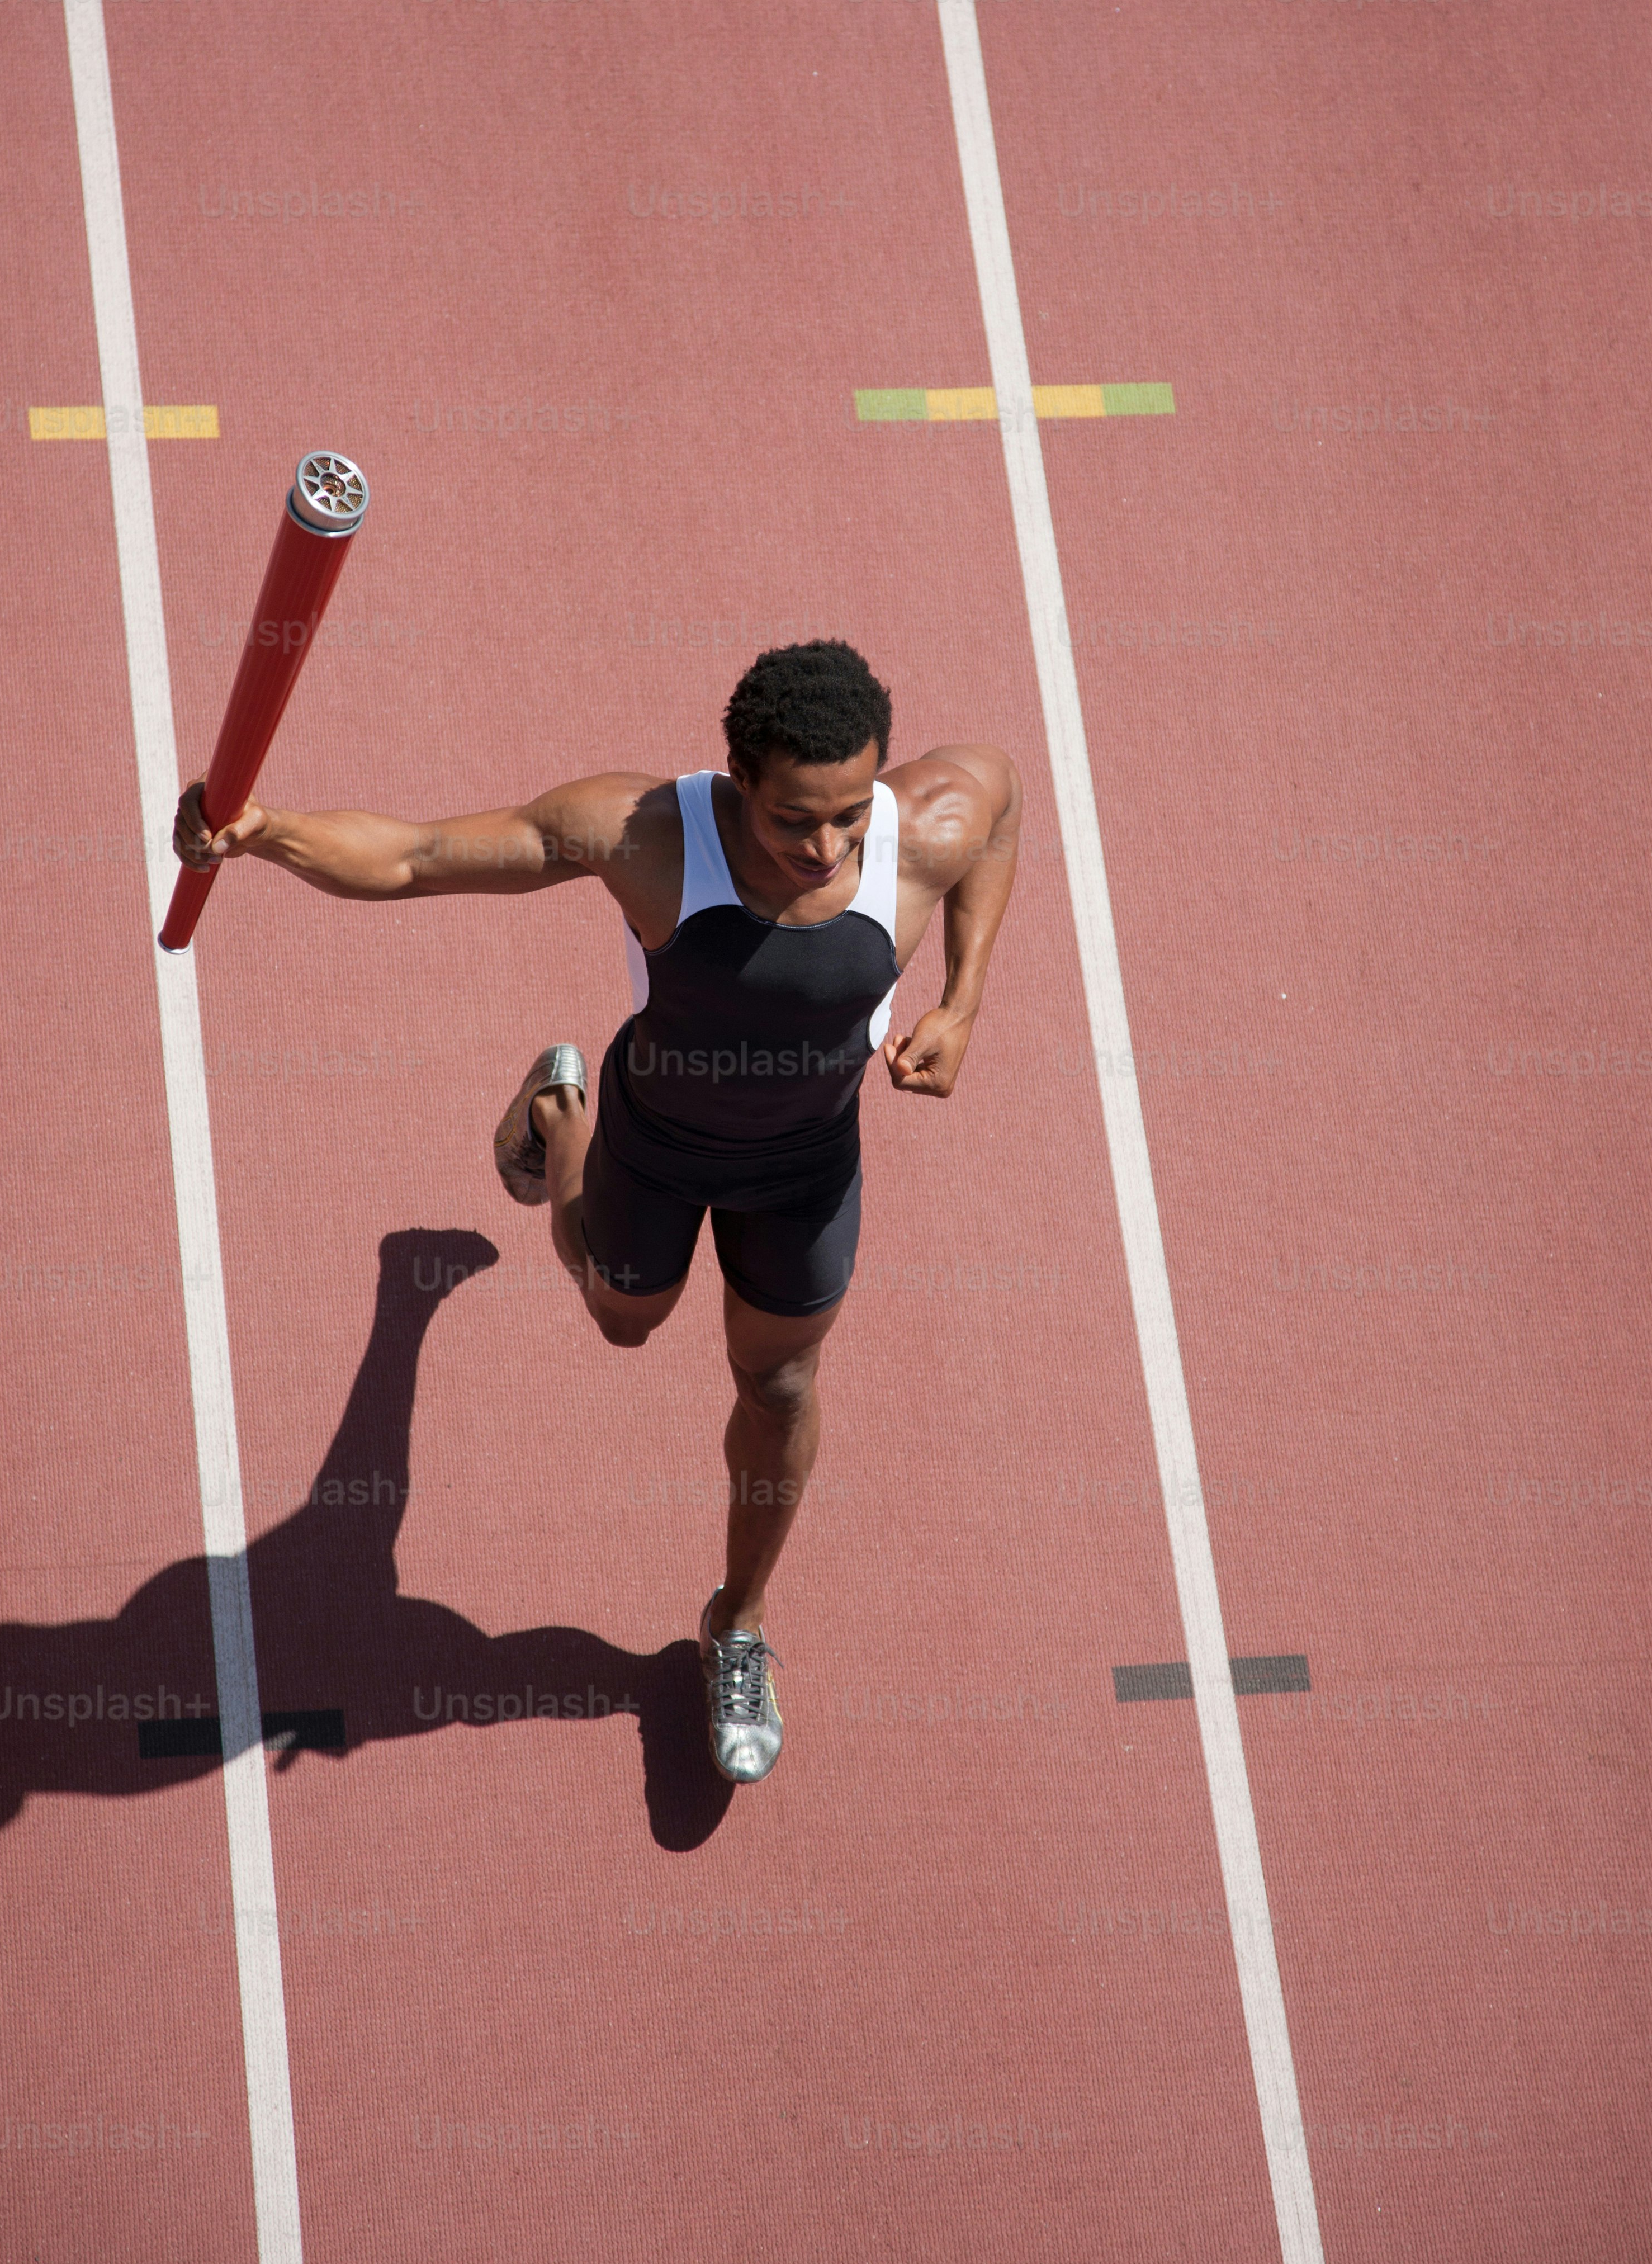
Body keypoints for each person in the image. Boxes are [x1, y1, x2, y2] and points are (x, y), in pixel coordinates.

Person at [174, 639, 1020, 1784]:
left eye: (848, 819)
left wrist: (965, 1000)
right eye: (792, 820)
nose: (826, 849)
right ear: (735, 783)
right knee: (626, 1320)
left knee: (778, 1386)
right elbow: (421, 855)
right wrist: (264, 832)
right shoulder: (646, 836)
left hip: (806, 1164)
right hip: (657, 1141)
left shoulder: (928, 821)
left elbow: (1001, 803)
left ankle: (740, 1622)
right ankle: (560, 1108)